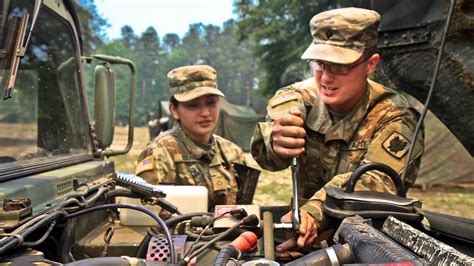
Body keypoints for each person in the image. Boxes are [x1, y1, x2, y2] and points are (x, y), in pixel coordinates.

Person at [250, 7, 424, 252]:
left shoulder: (396, 115)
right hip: (301, 239)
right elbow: (268, 151)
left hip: (368, 245)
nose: (326, 78)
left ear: (371, 64)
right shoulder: (301, 98)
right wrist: (275, 142)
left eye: (340, 67)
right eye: (320, 64)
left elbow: (376, 182)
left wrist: (314, 211)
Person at [136, 65, 248, 209]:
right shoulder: (160, 154)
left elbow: (244, 209)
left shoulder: (232, 152)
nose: (205, 113)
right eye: (193, 105)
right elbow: (151, 217)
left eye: (211, 103)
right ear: (174, 110)